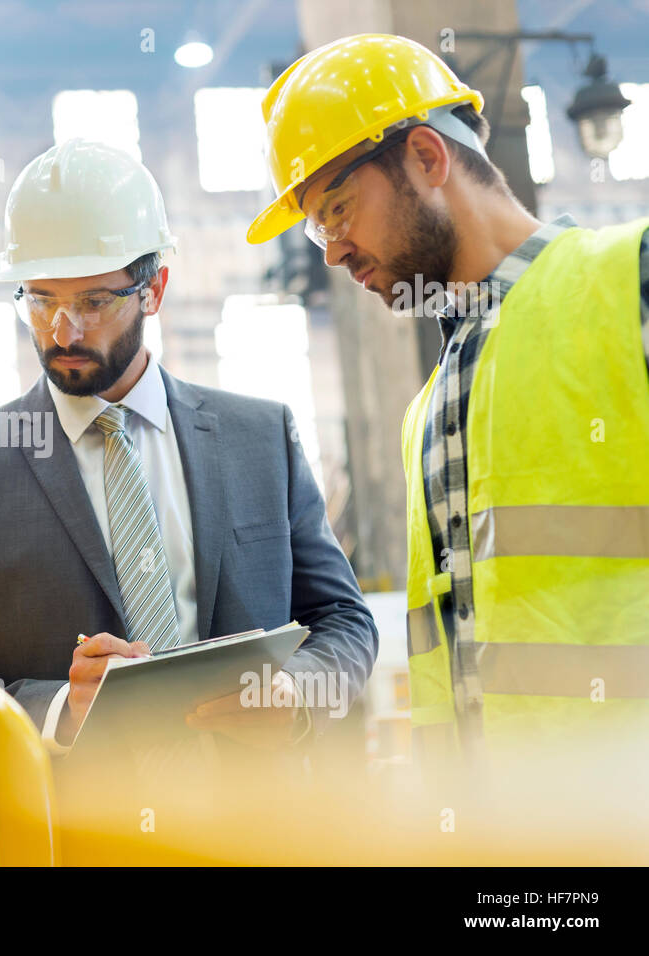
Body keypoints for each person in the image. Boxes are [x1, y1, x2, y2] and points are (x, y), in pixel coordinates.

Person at [0, 137, 377, 770]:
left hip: (262, 834)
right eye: (41, 300)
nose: (63, 330)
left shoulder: (260, 438)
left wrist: (296, 694)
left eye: (94, 301)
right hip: (68, 842)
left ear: (154, 290)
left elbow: (343, 619)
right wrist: (63, 708)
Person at [247, 33, 649, 766]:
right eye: (317, 227)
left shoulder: (627, 283)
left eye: (338, 209)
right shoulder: (426, 412)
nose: (331, 252)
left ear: (427, 159)